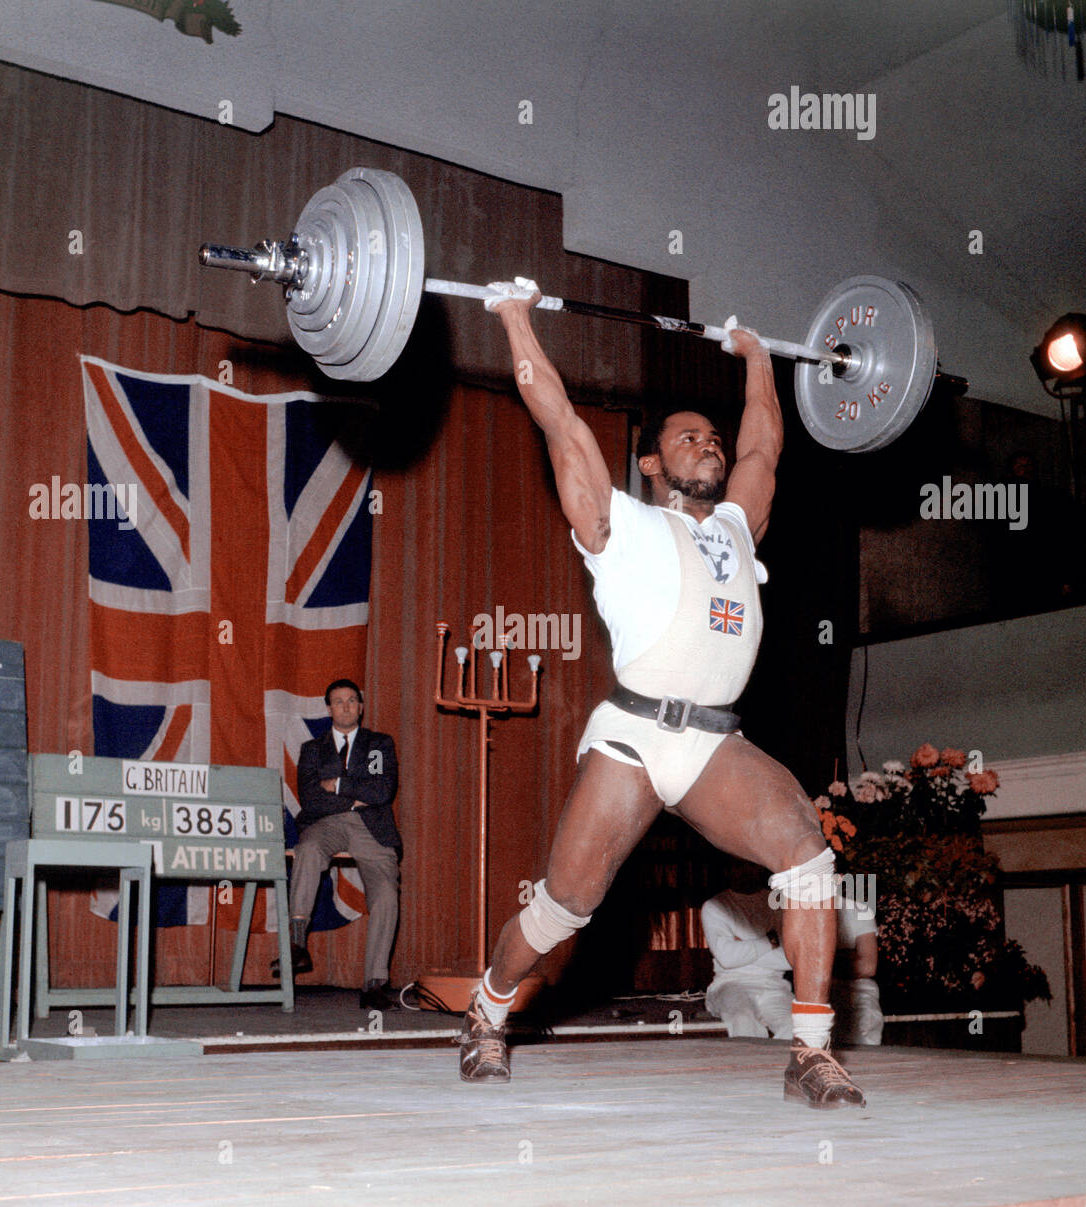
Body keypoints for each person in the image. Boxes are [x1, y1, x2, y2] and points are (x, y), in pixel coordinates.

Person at [455, 277, 865, 1109]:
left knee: (809, 857)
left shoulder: (733, 528)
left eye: (710, 437)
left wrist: (756, 360)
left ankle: (812, 1053)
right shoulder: (619, 523)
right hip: (637, 738)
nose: (708, 446)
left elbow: (764, 450)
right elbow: (560, 423)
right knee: (564, 905)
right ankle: (489, 1007)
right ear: (652, 460)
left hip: (714, 743)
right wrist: (513, 318)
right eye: (688, 438)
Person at [288, 679, 402, 1009]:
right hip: (325, 825)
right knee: (307, 850)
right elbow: (310, 799)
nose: (346, 706)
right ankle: (297, 944)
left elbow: (381, 791)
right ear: (328, 709)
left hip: (371, 828)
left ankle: (374, 982)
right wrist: (354, 798)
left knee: (385, 893)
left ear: (361, 707)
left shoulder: (379, 745)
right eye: (338, 702)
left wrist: (336, 784)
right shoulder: (312, 750)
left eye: (352, 700)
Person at [701, 888, 884, 1045]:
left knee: (797, 1027)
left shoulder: (857, 909)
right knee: (742, 1019)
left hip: (843, 990)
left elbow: (867, 966)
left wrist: (746, 948)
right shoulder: (797, 907)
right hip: (812, 988)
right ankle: (752, 1073)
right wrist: (769, 942)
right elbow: (728, 957)